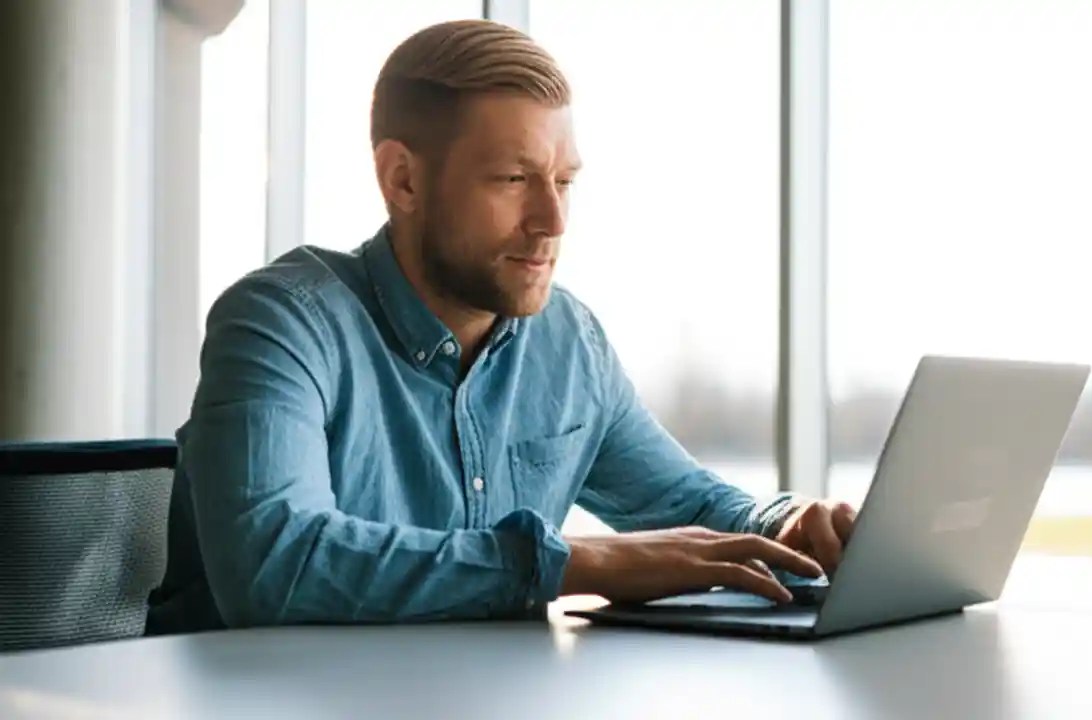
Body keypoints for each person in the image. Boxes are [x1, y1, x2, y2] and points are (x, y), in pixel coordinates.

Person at [147, 19, 856, 633]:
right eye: (514, 180)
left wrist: (785, 525)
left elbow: (692, 507)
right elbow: (277, 565)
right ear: (404, 181)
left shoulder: (569, 343)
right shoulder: (281, 323)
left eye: (564, 181)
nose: (552, 222)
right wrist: (566, 563)